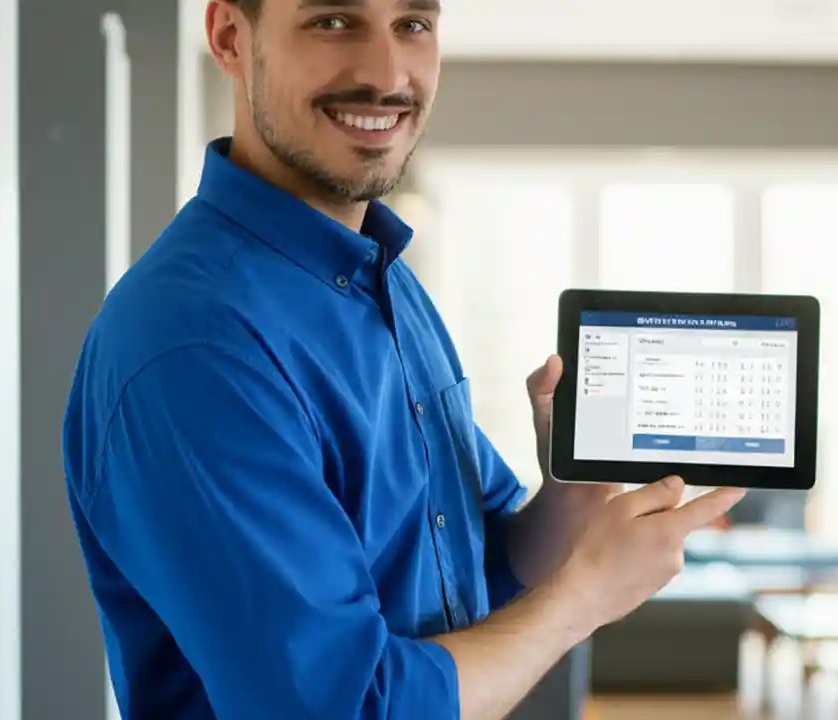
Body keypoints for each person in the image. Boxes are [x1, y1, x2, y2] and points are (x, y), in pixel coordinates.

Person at [61, 1, 747, 718]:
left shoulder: (386, 282)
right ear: (232, 37)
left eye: (413, 25)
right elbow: (347, 706)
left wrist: (571, 493)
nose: (387, 74)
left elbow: (481, 572)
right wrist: (582, 601)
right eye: (333, 21)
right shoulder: (197, 346)